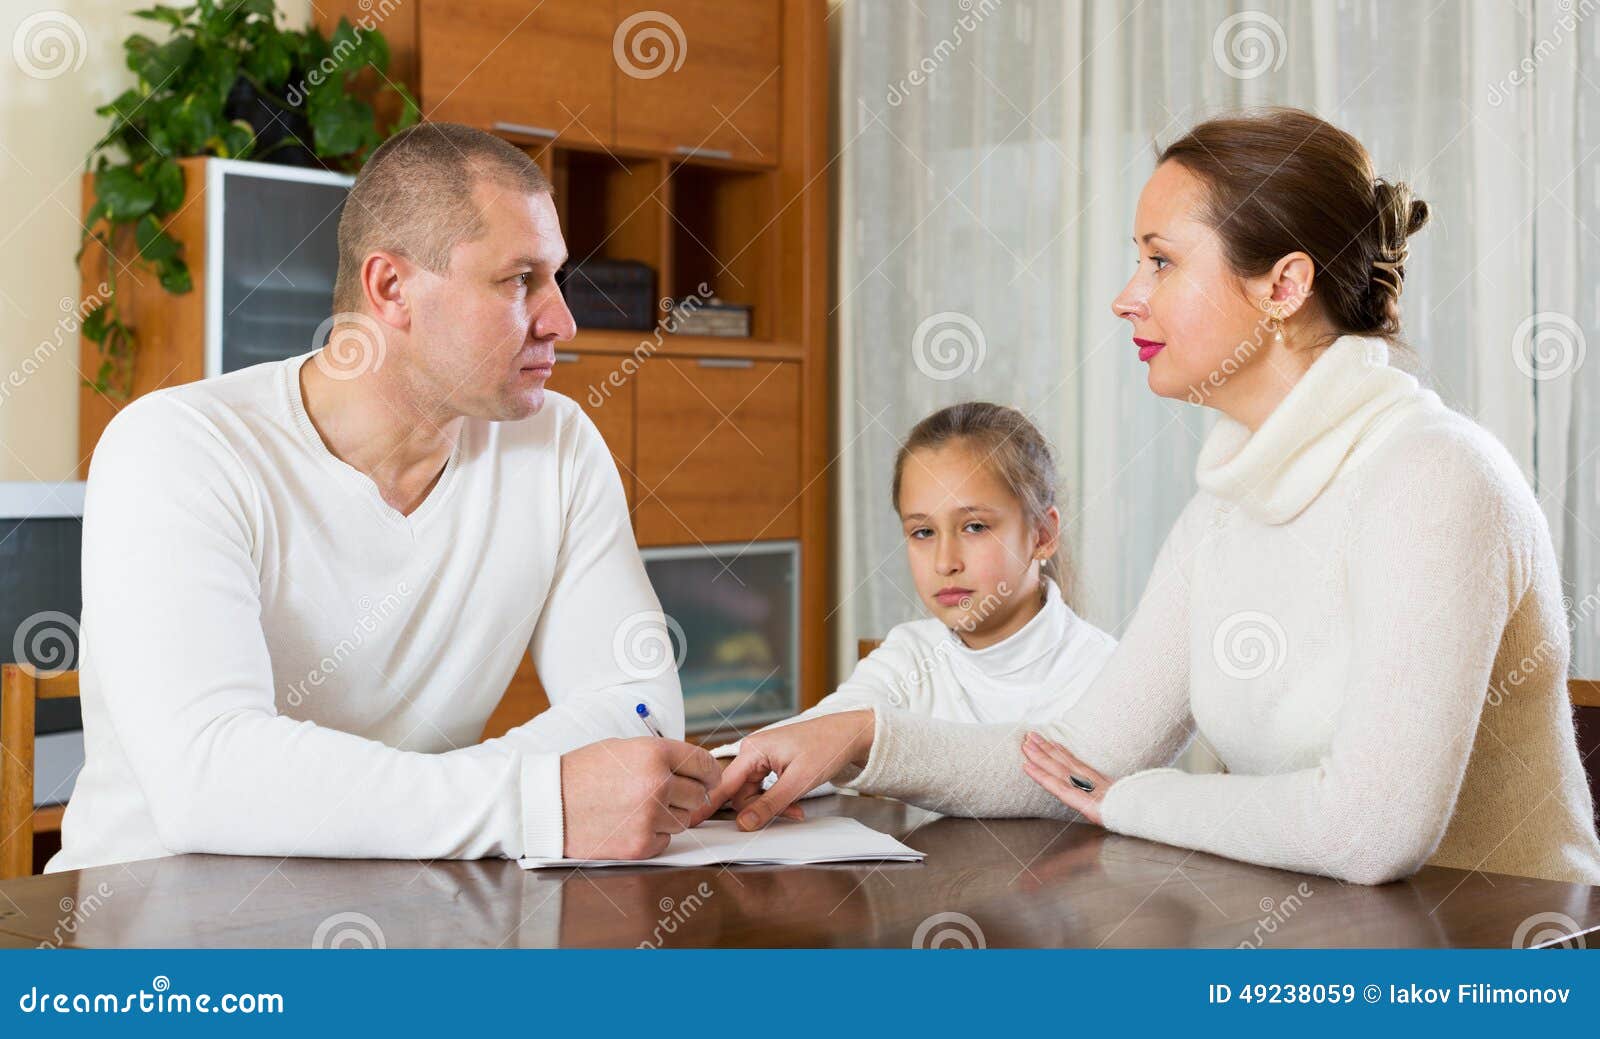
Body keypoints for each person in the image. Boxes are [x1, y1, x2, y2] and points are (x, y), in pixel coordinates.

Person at [707, 108, 1600, 886]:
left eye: (1162, 261)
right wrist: (862, 735)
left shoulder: (1436, 476)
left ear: (1283, 286)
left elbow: (1369, 832)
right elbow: (1072, 761)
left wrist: (1139, 799)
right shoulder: (1228, 504)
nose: (1125, 298)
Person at [50, 123, 717, 873]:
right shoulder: (177, 448)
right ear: (391, 288)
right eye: (519, 279)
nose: (561, 319)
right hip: (164, 941)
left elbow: (639, 707)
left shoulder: (555, 443)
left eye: (556, 277)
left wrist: (484, 799)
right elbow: (208, 778)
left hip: (409, 901)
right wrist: (536, 799)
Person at [700, 402, 1116, 820]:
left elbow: (1056, 787)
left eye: (974, 526)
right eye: (922, 532)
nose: (944, 562)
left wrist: (866, 736)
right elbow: (826, 730)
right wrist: (717, 775)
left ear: (1042, 535)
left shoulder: (1106, 671)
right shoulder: (912, 652)